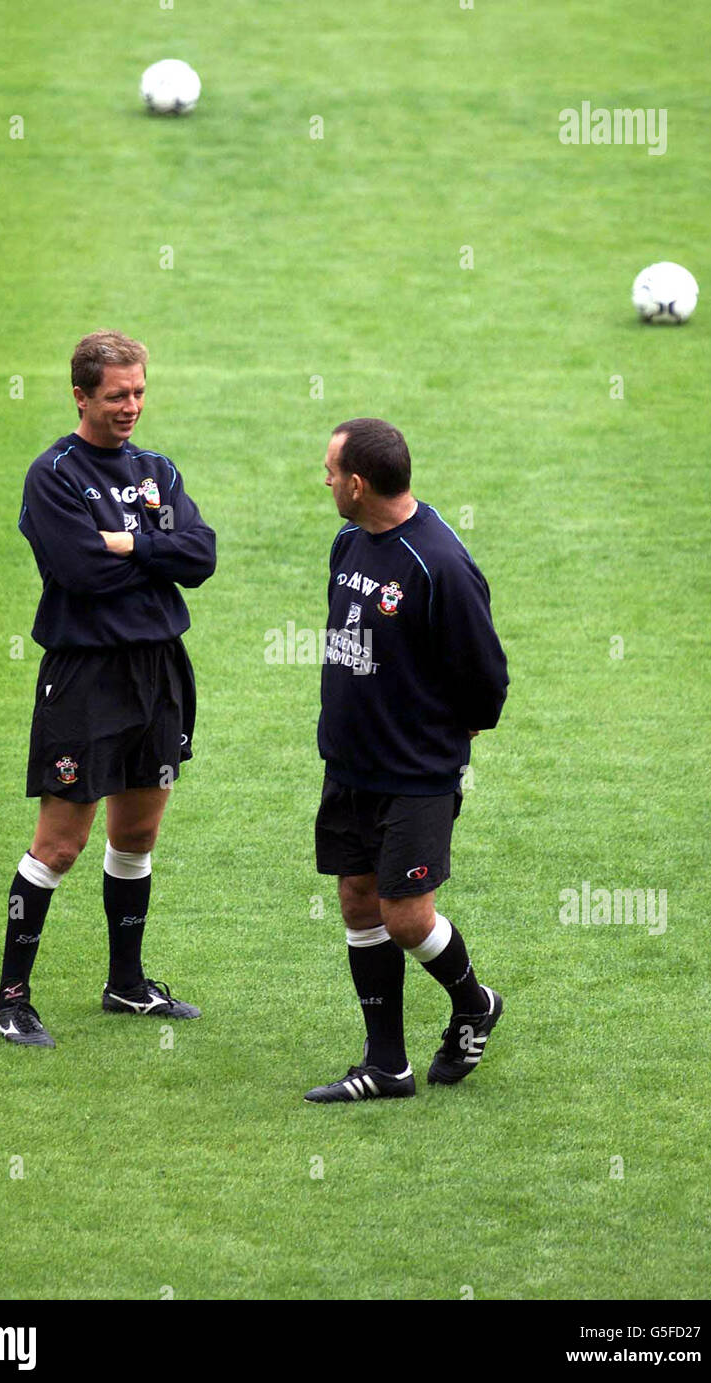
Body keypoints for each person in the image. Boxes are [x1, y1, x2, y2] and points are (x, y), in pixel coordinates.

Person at [0, 330, 216, 1047]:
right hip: (87, 676)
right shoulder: (53, 474)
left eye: (140, 392)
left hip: (158, 672)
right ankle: (12, 995)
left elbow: (201, 556)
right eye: (117, 395)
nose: (131, 407)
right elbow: (81, 573)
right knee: (60, 845)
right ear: (81, 395)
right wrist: (153, 552)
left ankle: (126, 983)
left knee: (139, 833)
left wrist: (125, 542)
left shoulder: (157, 469)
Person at [307, 418, 509, 1102]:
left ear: (358, 483)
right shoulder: (348, 543)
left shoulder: (439, 565)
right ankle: (386, 1066)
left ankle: (474, 1001)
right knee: (359, 902)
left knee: (406, 916)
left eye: (332, 471)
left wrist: (446, 739)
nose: (326, 481)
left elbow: (486, 679)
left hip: (416, 776)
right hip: (349, 767)